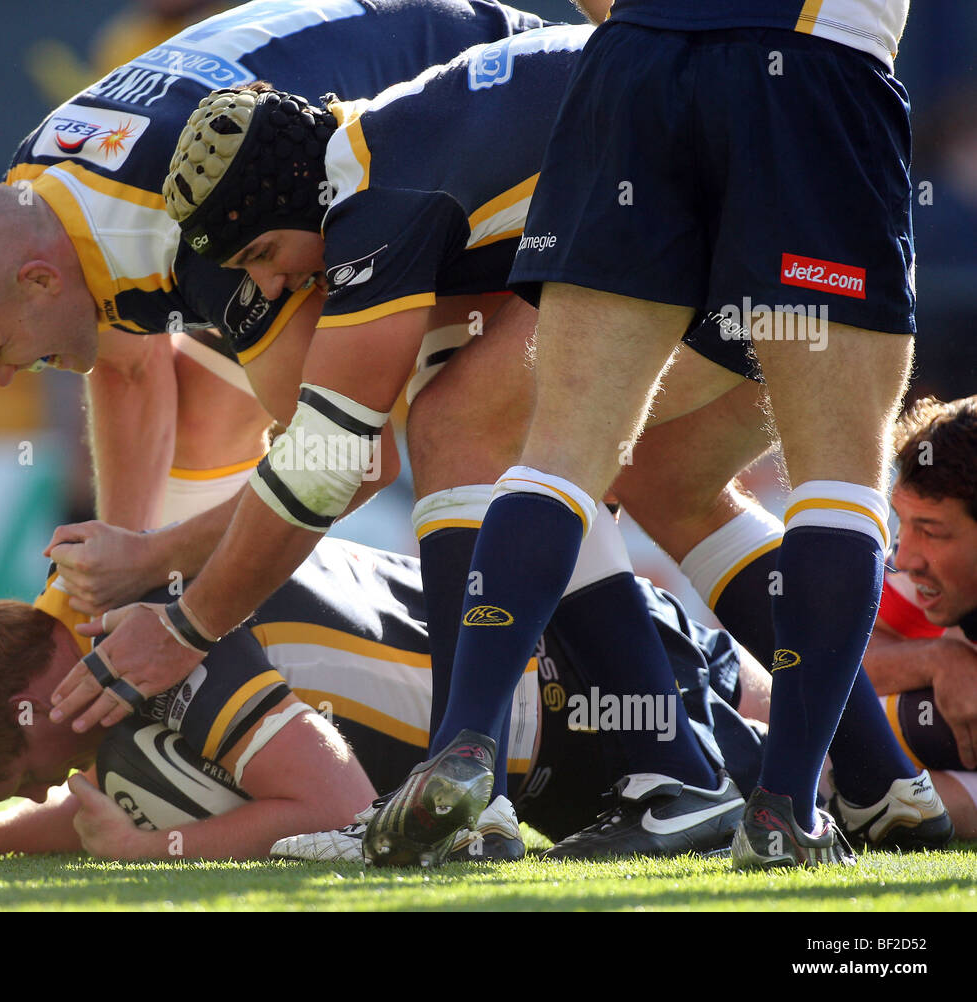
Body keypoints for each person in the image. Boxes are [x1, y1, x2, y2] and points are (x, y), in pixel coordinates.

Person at [46, 25, 945, 863]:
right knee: (679, 475)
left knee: (458, 422)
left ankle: (574, 781)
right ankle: (874, 777)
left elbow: (336, 454)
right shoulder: (405, 140)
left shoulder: (371, 195)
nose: (274, 279)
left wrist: (187, 614)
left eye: (262, 254)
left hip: (697, 175)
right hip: (821, 138)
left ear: (291, 200)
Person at [378, 0, 920, 870]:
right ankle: (785, 809)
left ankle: (466, 742)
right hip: (816, 66)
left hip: (632, 65)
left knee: (559, 448)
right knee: (840, 471)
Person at [0, 0, 543, 537]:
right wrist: (111, 579)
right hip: (480, 92)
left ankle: (523, 677)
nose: (3, 378)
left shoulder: (194, 237)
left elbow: (348, 466)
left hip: (538, 125)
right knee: (213, 412)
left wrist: (158, 578)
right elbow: (128, 366)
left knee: (452, 431)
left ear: (38, 281)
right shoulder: (39, 185)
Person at [0, 535, 770, 862]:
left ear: (33, 687)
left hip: (593, 708)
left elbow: (340, 808)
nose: (40, 790)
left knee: (881, 782)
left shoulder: (163, 652)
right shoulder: (125, 647)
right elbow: (97, 816)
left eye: (20, 773)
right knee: (860, 751)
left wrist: (156, 853)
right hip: (585, 700)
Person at [853, 396, 977, 842]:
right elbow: (834, 659)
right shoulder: (907, 574)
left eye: (931, 531)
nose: (904, 558)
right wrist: (937, 659)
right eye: (904, 525)